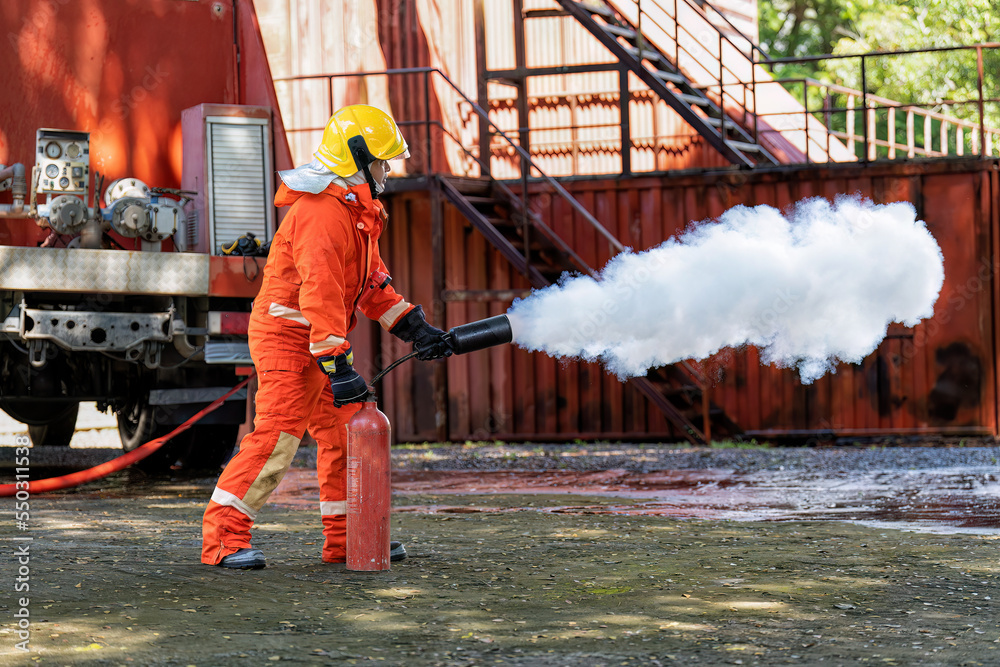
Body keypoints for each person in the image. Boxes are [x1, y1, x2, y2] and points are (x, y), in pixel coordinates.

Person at [201, 104, 452, 569]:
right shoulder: (323, 214)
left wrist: (414, 327)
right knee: (277, 437)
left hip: (317, 339)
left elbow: (369, 283)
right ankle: (223, 540)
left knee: (344, 436)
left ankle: (349, 539)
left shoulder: (355, 212)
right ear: (357, 159)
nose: (387, 170)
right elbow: (319, 294)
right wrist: (337, 364)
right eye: (381, 161)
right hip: (289, 338)